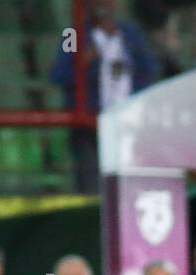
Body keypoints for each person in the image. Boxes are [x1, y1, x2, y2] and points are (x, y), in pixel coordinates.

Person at [50, 0, 158, 193]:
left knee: (130, 185)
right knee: (92, 187)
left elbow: (148, 71)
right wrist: (83, 60)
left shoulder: (130, 34)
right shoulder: (73, 35)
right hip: (91, 125)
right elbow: (58, 74)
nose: (101, 5)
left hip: (127, 124)